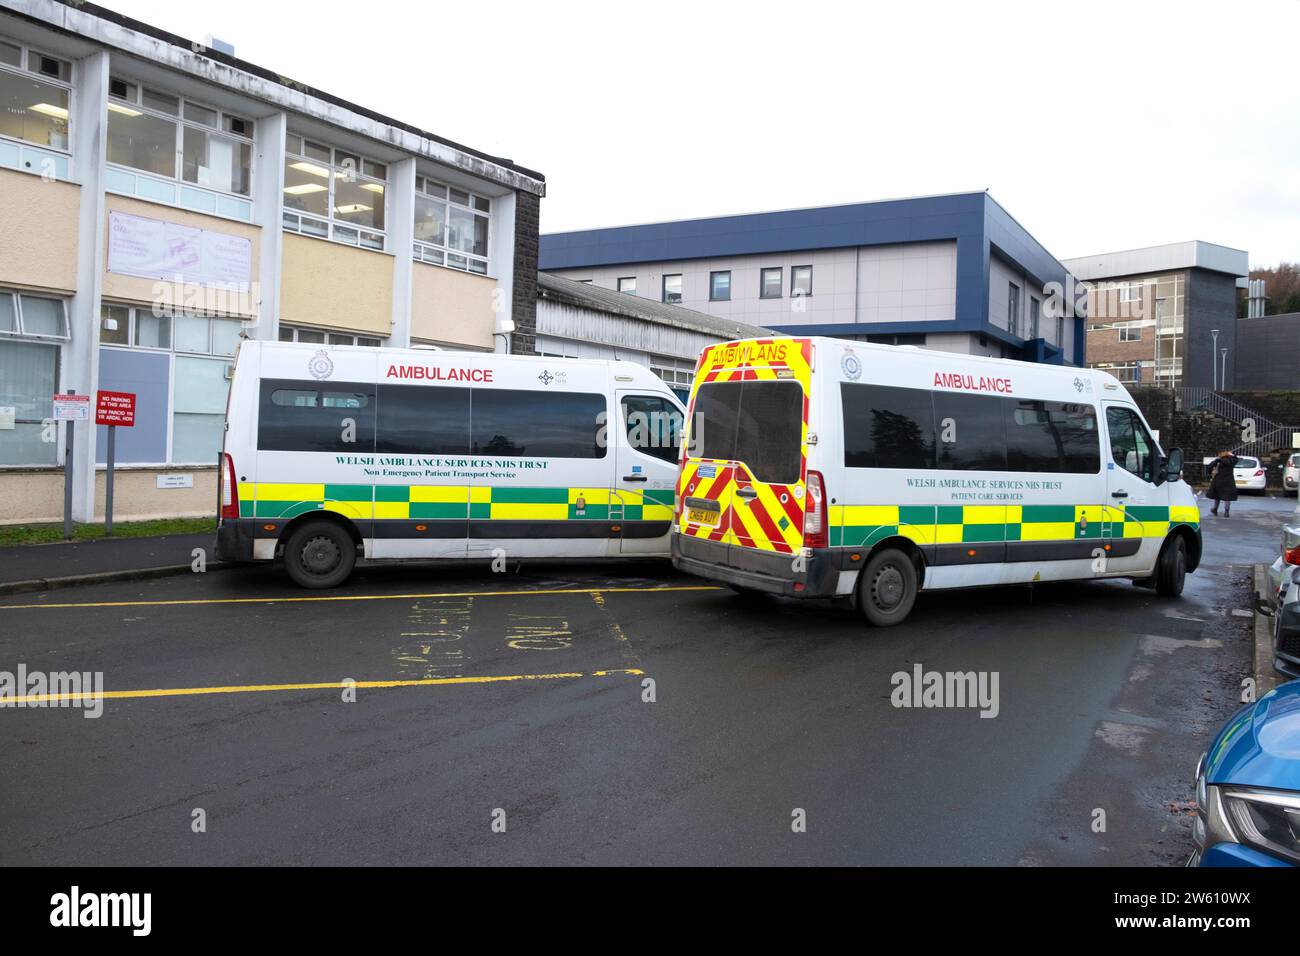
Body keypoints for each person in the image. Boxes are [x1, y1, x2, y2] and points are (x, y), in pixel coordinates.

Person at [1207, 450, 1239, 517]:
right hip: (1229, 481)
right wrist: (1233, 455)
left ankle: (1215, 509)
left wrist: (1210, 473)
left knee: (1217, 496)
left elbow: (1209, 466)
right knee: (1227, 497)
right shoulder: (1231, 461)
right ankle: (1226, 512)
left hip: (1218, 480)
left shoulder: (1219, 460)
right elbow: (1236, 459)